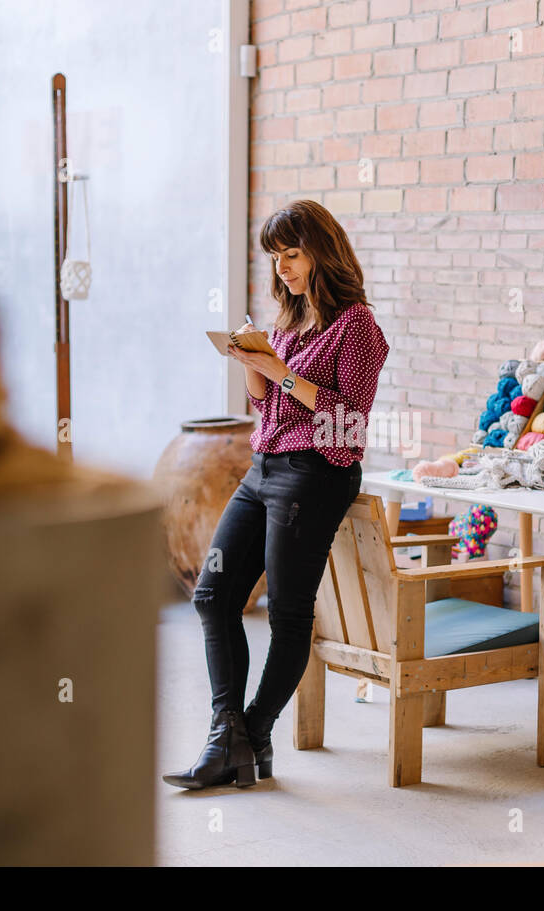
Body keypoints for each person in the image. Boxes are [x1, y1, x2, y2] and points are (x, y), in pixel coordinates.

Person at [163, 199, 390, 790]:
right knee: (213, 596)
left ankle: (249, 734)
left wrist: (280, 369)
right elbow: (267, 406)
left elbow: (346, 420)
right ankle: (229, 737)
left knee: (288, 614)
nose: (282, 268)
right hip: (263, 466)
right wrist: (250, 360)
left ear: (323, 251)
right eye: (275, 256)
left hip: (316, 472)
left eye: (292, 254)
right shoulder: (290, 323)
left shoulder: (357, 327)